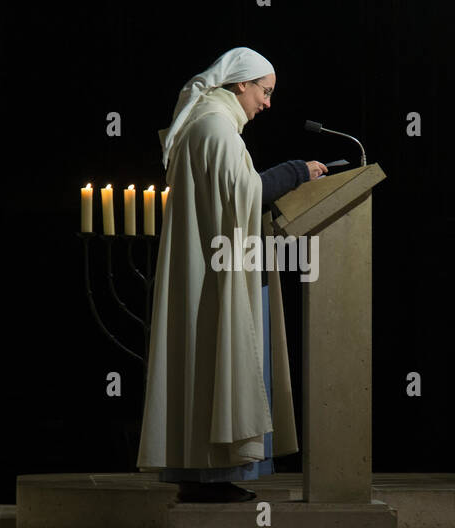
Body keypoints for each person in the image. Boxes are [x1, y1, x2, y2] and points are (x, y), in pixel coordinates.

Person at [137, 47, 327, 503]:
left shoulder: (207, 123)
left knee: (205, 366)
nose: (267, 103)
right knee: (217, 360)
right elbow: (246, 193)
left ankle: (207, 477)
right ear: (240, 83)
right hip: (215, 274)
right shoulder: (215, 127)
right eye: (264, 91)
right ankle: (209, 478)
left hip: (212, 266)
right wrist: (297, 171)